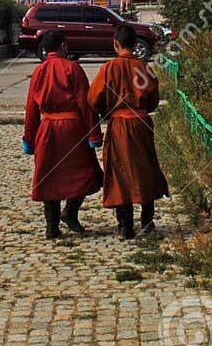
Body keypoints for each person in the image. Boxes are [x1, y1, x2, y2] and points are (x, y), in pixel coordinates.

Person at [89, 24, 169, 239]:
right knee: (146, 167)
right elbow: (153, 100)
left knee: (119, 171)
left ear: (116, 44)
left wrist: (108, 111)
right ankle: (147, 220)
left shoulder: (108, 68)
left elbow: (94, 99)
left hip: (119, 125)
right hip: (142, 123)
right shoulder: (145, 68)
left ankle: (125, 226)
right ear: (135, 44)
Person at [22, 30, 103, 239]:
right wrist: (94, 134)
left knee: (49, 175)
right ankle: (70, 212)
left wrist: (29, 139)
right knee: (87, 172)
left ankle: (52, 226)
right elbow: (86, 105)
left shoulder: (38, 72)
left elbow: (31, 109)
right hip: (73, 130)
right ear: (63, 46)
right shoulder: (73, 69)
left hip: (47, 128)